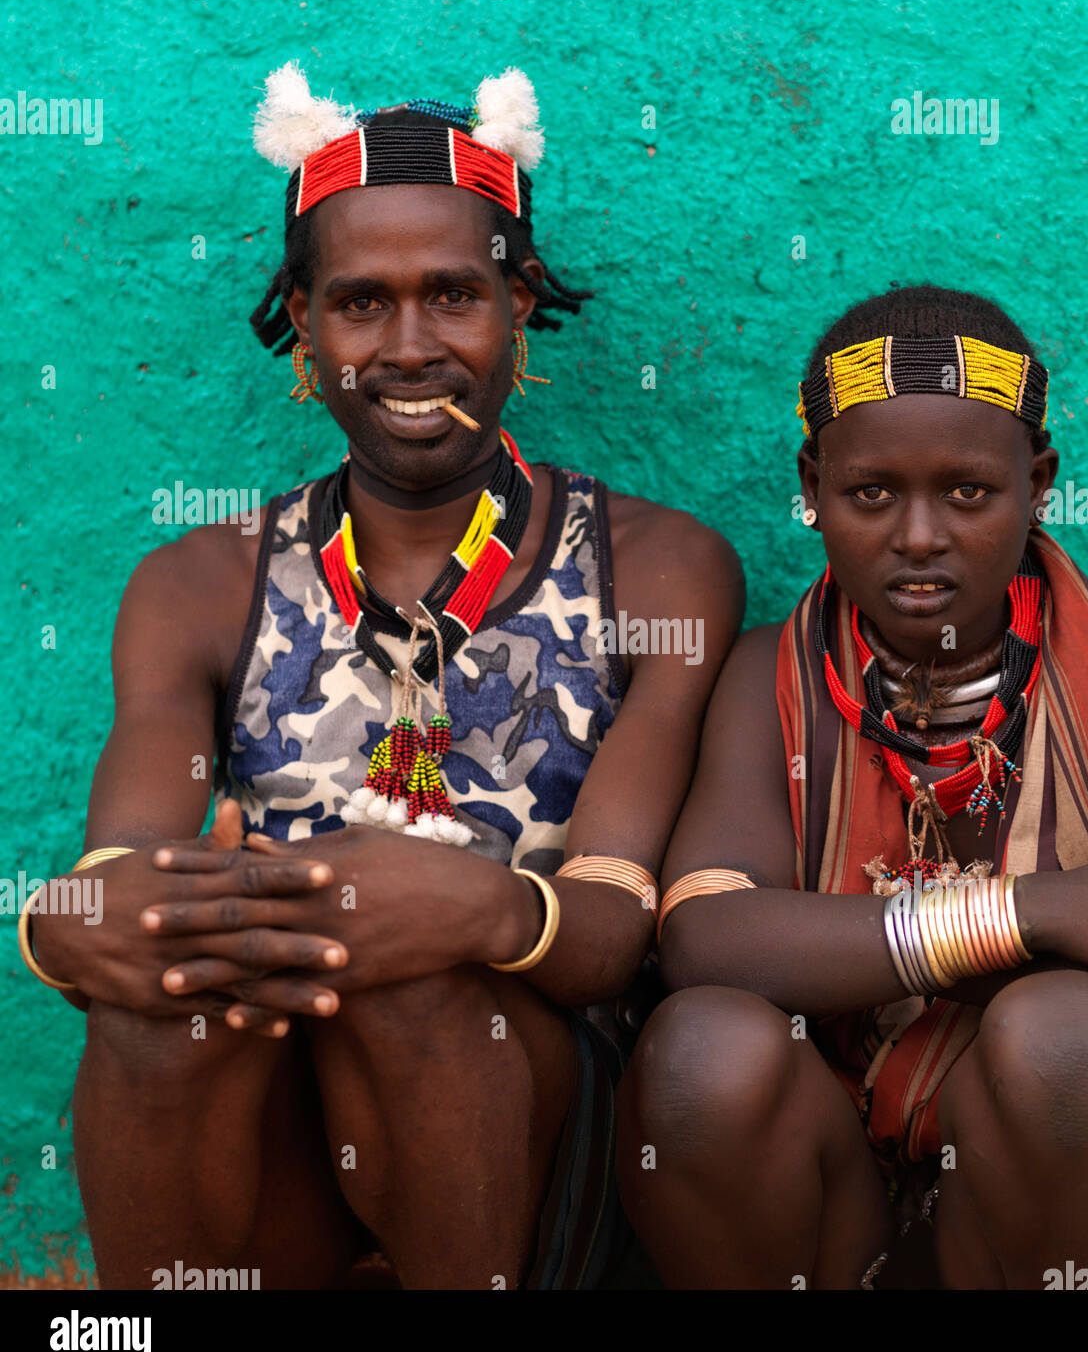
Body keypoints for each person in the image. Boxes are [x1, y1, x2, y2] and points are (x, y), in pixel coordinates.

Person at [20, 63, 742, 1289]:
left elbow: (614, 929)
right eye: (361, 303)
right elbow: (121, 873)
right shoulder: (199, 584)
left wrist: (476, 907)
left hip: (525, 1094)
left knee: (413, 986)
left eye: (455, 294)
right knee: (162, 1006)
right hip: (276, 1090)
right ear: (301, 321)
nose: (410, 348)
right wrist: (69, 928)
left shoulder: (660, 572)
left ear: (518, 304)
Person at [615, 284, 1088, 1290]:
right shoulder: (769, 678)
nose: (918, 535)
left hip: (1053, 1185)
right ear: (811, 483)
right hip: (824, 1178)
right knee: (698, 1051)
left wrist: (845, 944)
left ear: (1038, 482)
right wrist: (1042, 912)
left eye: (967, 492)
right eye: (870, 493)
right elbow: (707, 936)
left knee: (1066, 1034)